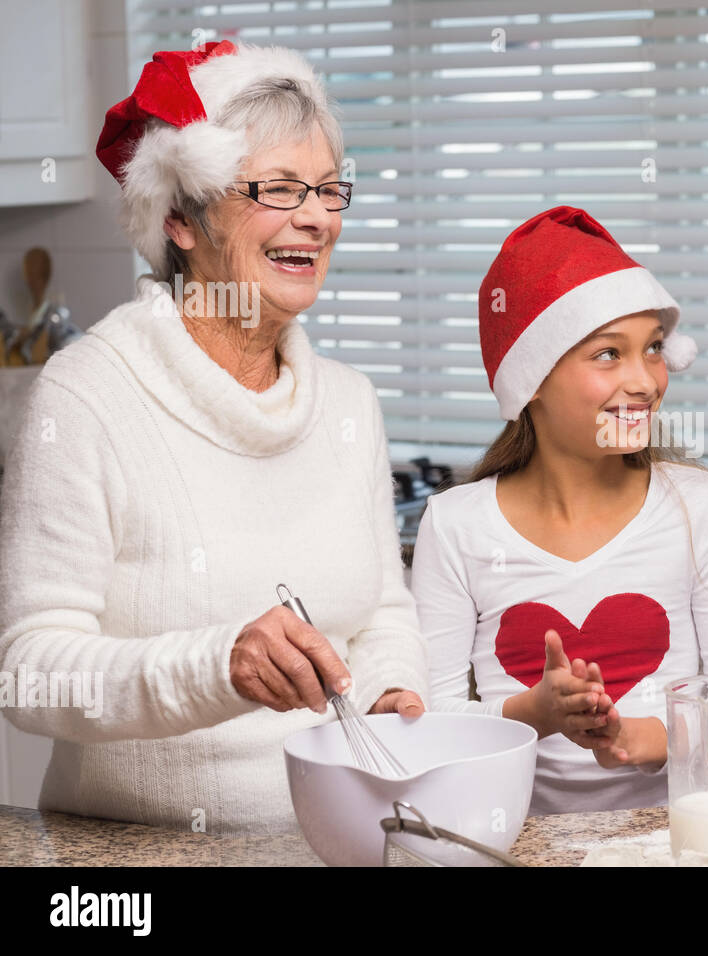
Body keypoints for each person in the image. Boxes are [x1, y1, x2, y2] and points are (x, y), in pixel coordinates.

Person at [0, 41, 426, 835]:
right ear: (177, 219)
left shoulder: (348, 404)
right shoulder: (88, 396)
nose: (317, 217)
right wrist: (217, 664)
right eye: (279, 189)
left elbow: (381, 616)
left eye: (331, 189)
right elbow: (29, 673)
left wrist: (391, 689)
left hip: (333, 843)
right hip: (137, 858)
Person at [412, 206, 708, 814]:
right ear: (531, 378)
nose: (645, 381)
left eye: (654, 349)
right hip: (516, 837)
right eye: (609, 355)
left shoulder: (701, 506)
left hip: (676, 836)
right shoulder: (456, 524)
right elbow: (433, 721)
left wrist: (649, 739)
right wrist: (535, 713)